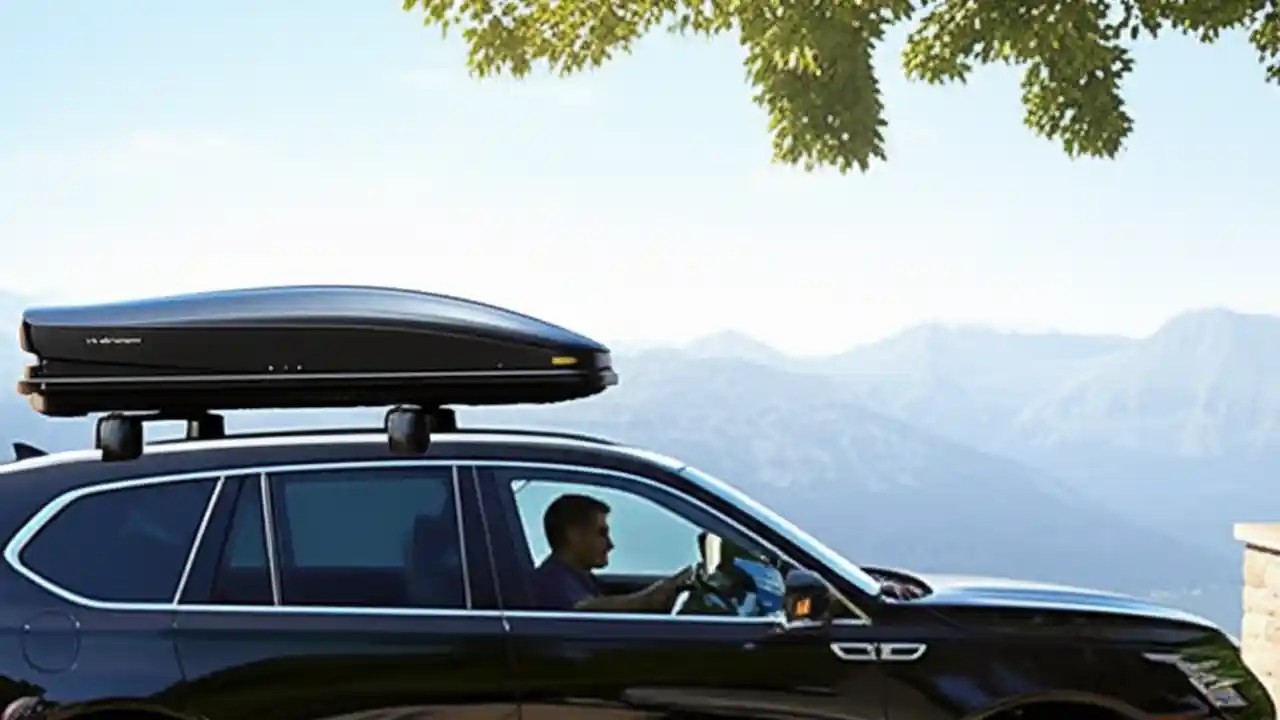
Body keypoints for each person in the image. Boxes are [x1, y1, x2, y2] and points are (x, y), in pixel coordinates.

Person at [531, 493, 693, 612]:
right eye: (601, 533)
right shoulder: (554, 583)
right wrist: (650, 599)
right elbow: (585, 611)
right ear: (574, 535)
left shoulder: (577, 577)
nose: (610, 544)